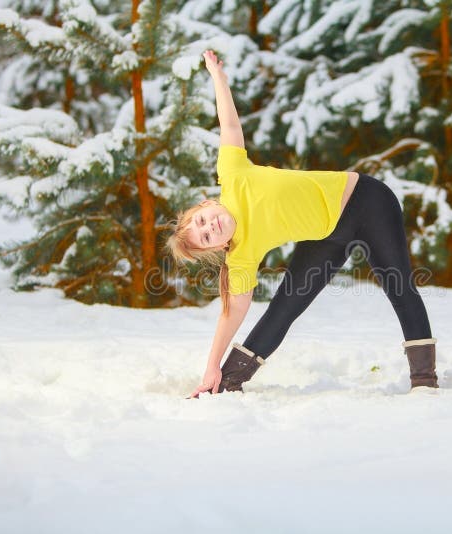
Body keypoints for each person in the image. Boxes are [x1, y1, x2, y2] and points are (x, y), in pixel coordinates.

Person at [167, 50, 438, 398]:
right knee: (286, 306)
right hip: (326, 236)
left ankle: (425, 382)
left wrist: (218, 78)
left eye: (203, 219)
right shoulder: (241, 255)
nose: (210, 227)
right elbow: (231, 314)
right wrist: (211, 366)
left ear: (207, 203)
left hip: (368, 202)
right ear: (215, 248)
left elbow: (230, 125)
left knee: (398, 286)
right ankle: (228, 382)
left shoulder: (233, 176)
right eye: (205, 236)